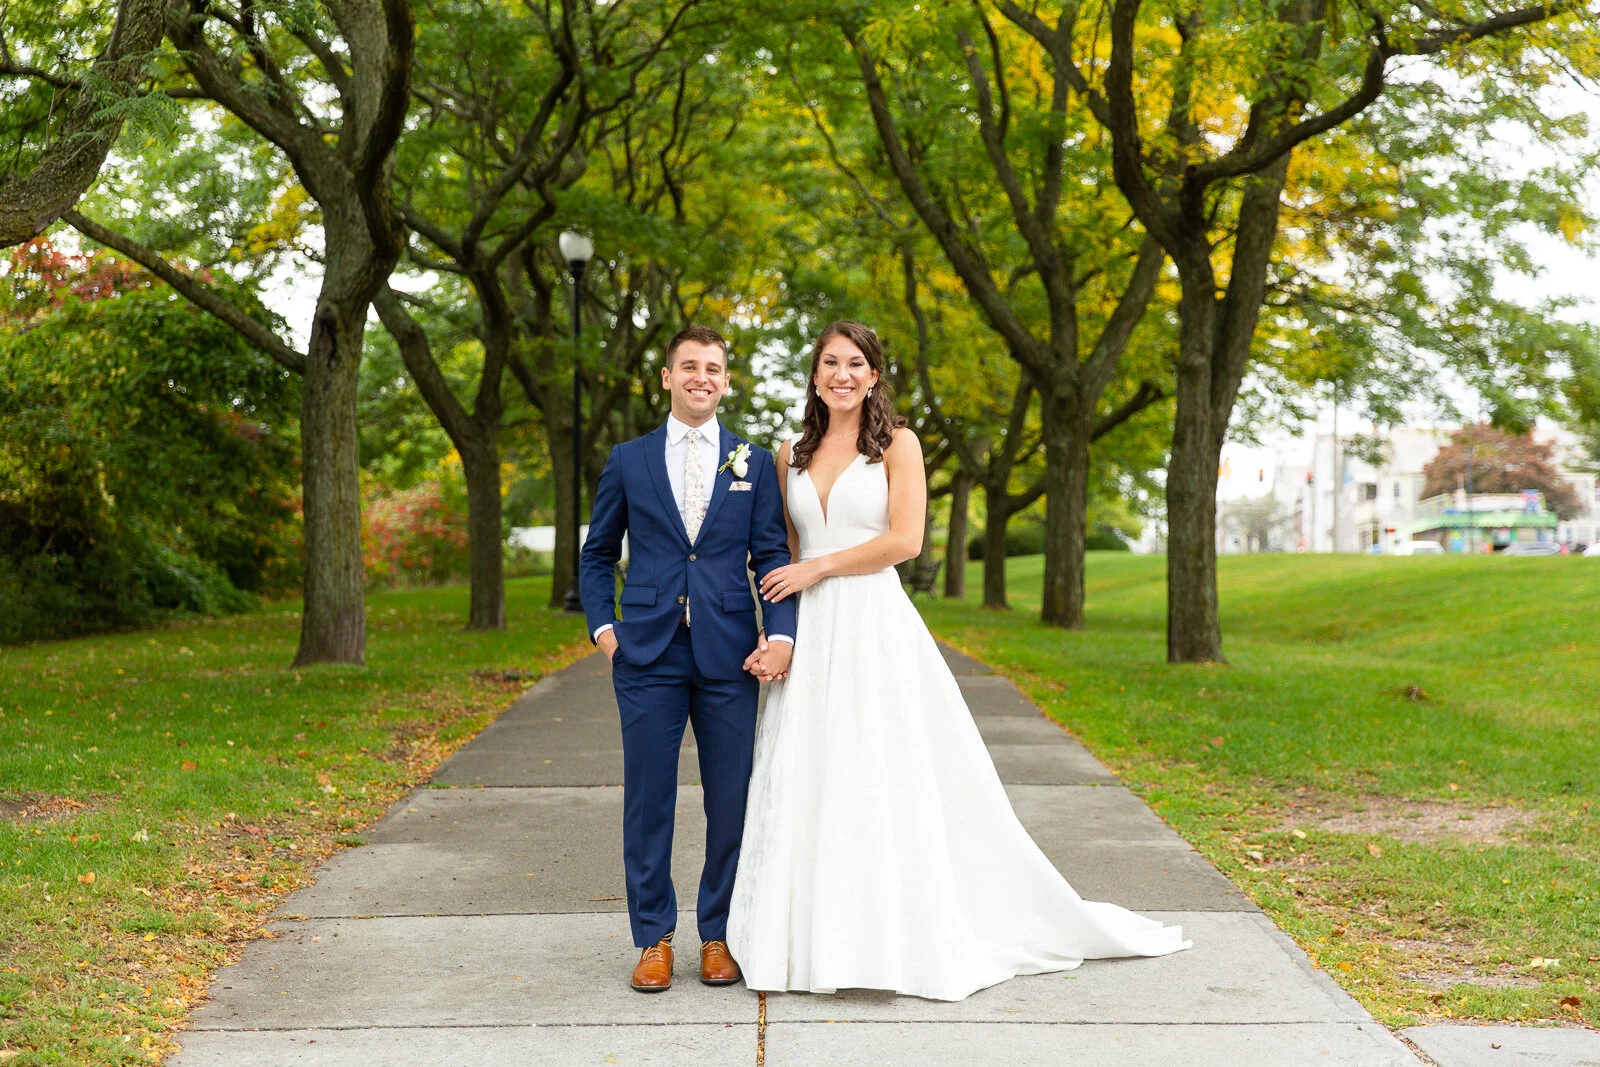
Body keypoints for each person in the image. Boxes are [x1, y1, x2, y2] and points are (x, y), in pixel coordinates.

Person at [728, 320, 1191, 1001]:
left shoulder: (899, 444)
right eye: (830, 362)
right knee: (807, 773)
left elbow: (905, 540)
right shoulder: (787, 452)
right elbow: (783, 554)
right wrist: (780, 632)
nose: (843, 374)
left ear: (875, 374)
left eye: (856, 362)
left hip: (873, 623)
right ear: (815, 373)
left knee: (879, 773)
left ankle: (888, 938)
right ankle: (803, 940)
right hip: (812, 632)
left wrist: (819, 567)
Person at [579, 325, 796, 993]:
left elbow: (773, 557)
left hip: (730, 654)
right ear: (668, 377)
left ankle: (718, 932)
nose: (702, 376)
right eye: (689, 366)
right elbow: (596, 555)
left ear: (726, 381)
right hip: (646, 651)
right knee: (650, 799)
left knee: (730, 798)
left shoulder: (753, 464)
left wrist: (781, 635)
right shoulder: (628, 458)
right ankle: (652, 936)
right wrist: (605, 631)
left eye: (714, 368)